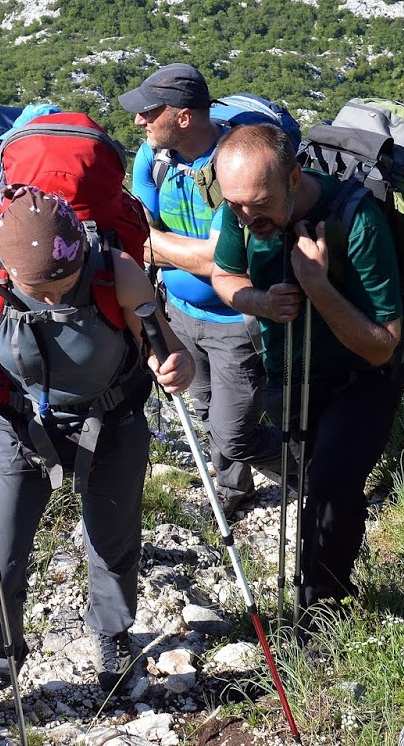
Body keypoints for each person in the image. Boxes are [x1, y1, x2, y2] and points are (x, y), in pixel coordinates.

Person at [0, 187, 193, 720]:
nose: (51, 301)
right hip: (18, 428)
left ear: (80, 256)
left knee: (112, 543)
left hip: (112, 423)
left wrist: (174, 367)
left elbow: (166, 346)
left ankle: (114, 637)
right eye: (37, 289)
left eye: (62, 286)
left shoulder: (115, 271)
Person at [209, 122, 404, 622]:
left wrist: (315, 284)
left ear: (295, 177)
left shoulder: (356, 219)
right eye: (234, 203)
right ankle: (314, 591)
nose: (245, 215)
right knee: (317, 484)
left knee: (329, 487)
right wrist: (259, 300)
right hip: (290, 375)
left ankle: (323, 612)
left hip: (361, 378)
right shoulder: (241, 209)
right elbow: (223, 274)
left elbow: (384, 345)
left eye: (258, 203)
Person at [121, 63, 287, 508]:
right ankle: (234, 492)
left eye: (149, 112)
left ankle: (313, 473)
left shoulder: (237, 166)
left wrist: (157, 245)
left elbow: (216, 260)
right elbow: (130, 233)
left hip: (238, 321)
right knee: (207, 411)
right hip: (179, 312)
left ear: (183, 117)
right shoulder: (152, 157)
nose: (138, 120)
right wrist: (180, 251)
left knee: (234, 432)